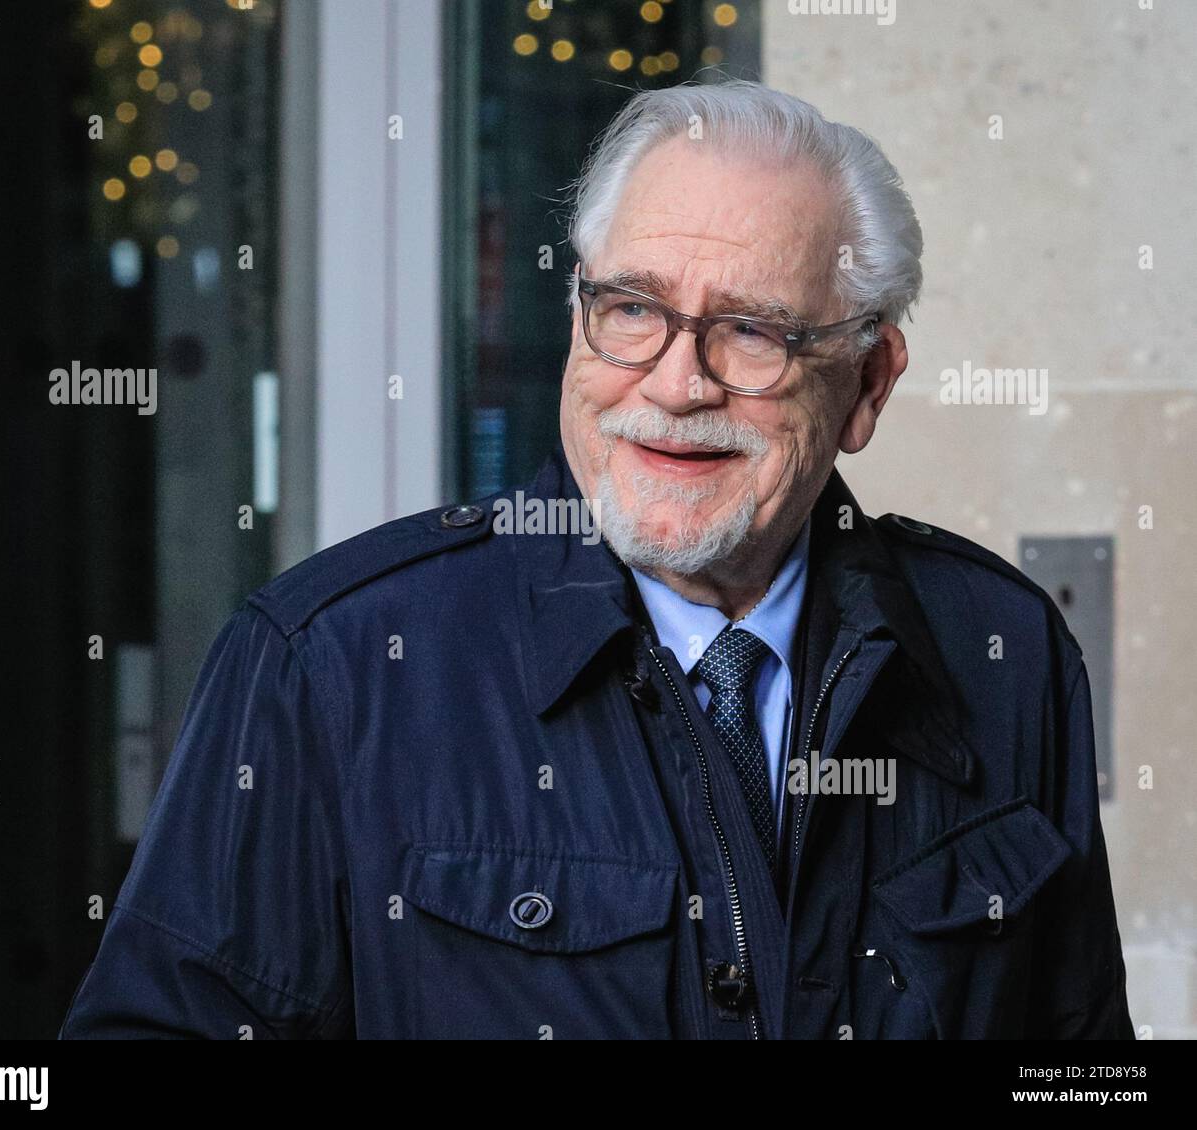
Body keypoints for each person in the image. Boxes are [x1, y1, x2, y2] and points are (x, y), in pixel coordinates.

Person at [61, 80, 1131, 1040]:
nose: (675, 384)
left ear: (868, 384)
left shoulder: (1003, 652)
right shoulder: (331, 663)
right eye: (630, 310)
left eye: (751, 333)